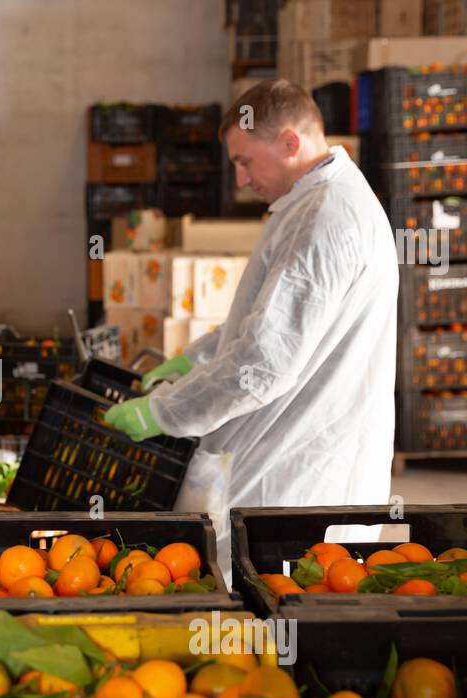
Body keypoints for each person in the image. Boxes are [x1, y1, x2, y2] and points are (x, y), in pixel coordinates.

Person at [104, 80, 398, 572]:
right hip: (295, 448)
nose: (240, 180)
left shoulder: (325, 217)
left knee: (275, 600)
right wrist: (190, 360)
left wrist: (167, 413)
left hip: (300, 468)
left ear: (289, 142)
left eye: (245, 161)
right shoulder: (313, 204)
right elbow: (263, 321)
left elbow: (264, 363)